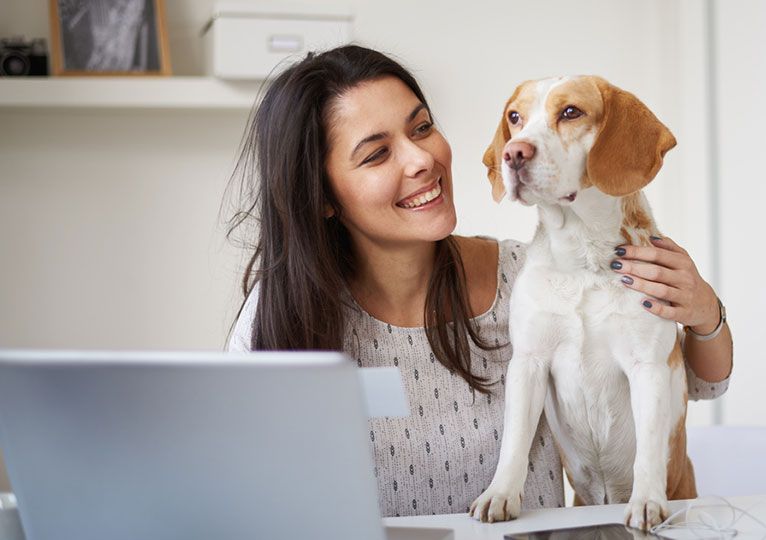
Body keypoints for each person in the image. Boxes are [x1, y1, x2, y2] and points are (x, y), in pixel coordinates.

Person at [226, 45, 733, 518]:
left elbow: (696, 385)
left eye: (421, 128)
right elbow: (240, 492)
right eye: (377, 154)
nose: (421, 159)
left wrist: (706, 314)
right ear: (322, 197)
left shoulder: (529, 277)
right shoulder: (282, 317)